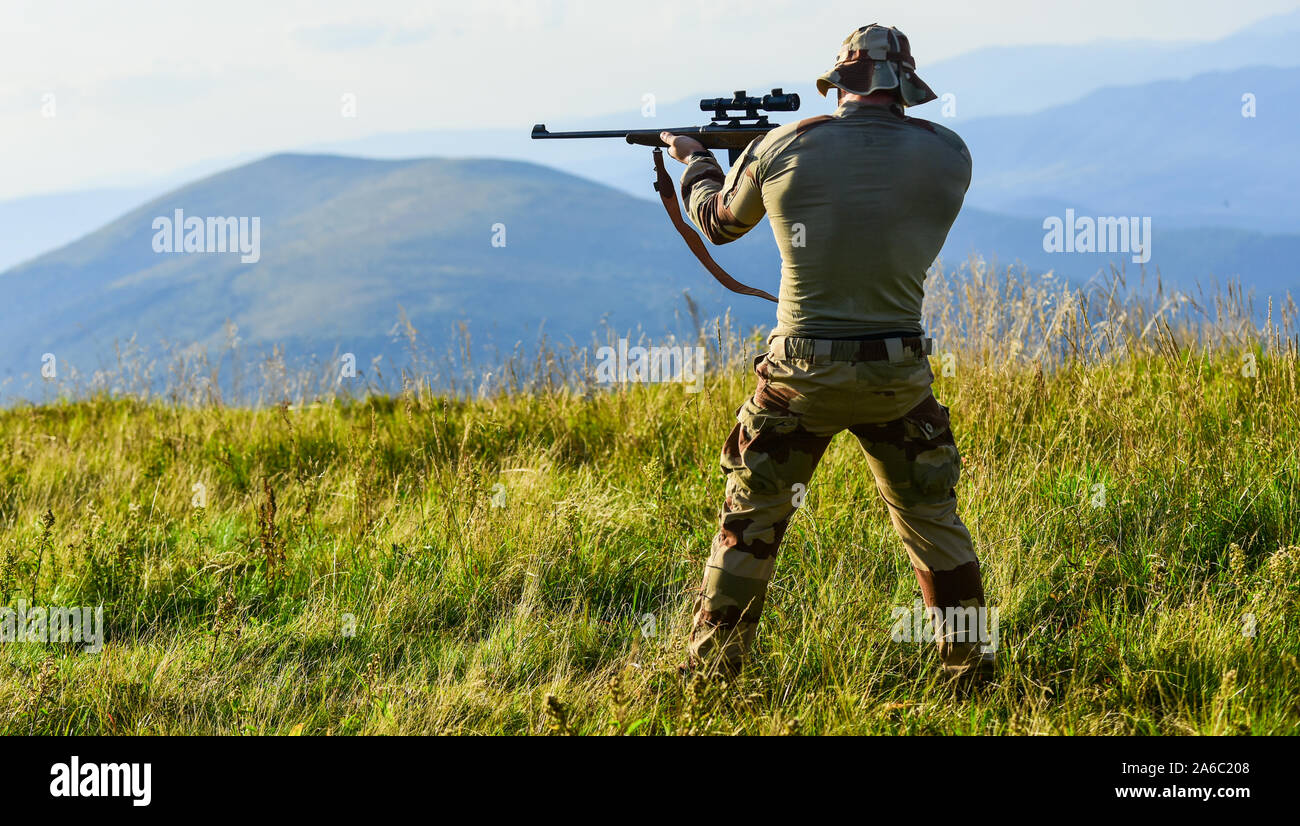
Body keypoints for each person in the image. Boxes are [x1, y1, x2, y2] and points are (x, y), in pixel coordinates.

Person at [659, 23, 993, 680]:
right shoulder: (951, 154)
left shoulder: (783, 145)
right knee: (933, 519)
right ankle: (969, 669)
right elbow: (865, 191)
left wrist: (697, 160)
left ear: (840, 81)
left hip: (799, 375)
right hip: (897, 372)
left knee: (751, 520)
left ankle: (714, 672)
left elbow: (719, 223)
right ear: (905, 84)